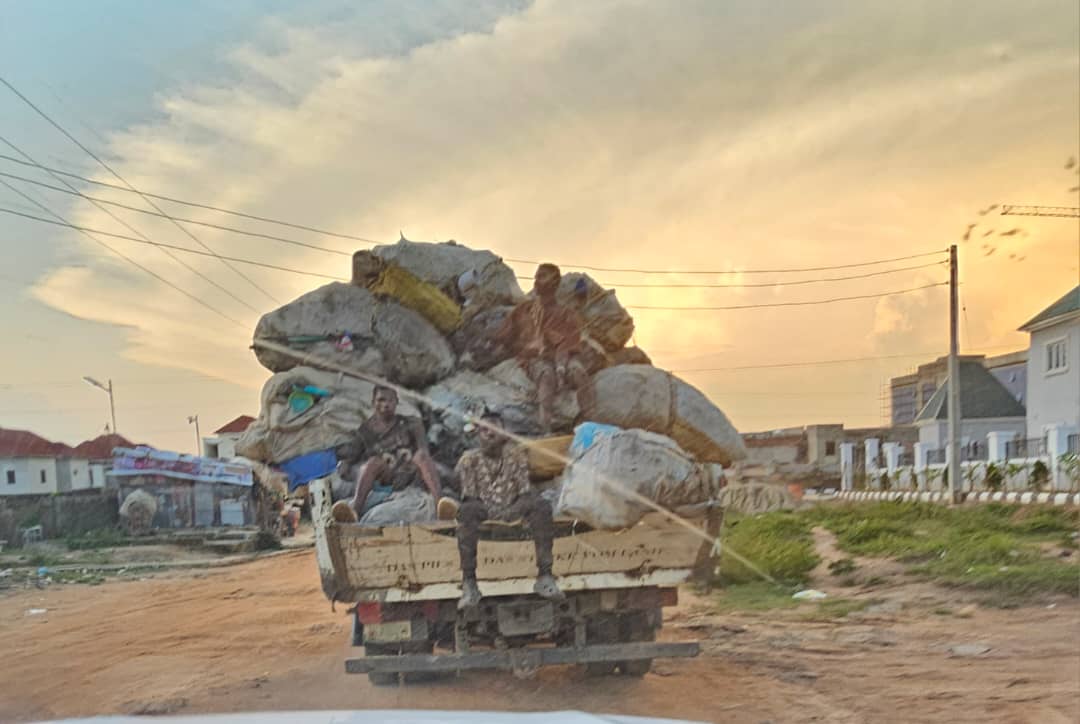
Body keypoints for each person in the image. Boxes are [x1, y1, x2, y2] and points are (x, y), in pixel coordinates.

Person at [454, 411, 563, 610]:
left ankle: (545, 576)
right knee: (466, 510)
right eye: (485, 430)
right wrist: (493, 512)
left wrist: (513, 510)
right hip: (484, 510)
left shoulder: (517, 457)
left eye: (495, 429)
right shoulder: (469, 460)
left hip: (513, 507)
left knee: (541, 506)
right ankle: (469, 583)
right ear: (478, 434)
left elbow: (525, 493)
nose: (490, 434)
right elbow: (470, 496)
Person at [494, 263, 596, 431]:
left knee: (578, 372)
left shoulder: (565, 313)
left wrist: (561, 366)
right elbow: (505, 337)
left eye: (542, 277)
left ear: (555, 282)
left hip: (565, 357)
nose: (536, 281)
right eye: (536, 277)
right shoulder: (524, 310)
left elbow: (571, 341)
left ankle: (590, 424)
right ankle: (545, 428)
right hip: (535, 358)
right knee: (546, 375)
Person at [332, 385, 446, 522]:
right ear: (373, 402)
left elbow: (424, 450)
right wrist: (345, 464)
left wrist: (412, 468)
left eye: (390, 400)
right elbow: (353, 454)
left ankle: (441, 506)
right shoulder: (365, 431)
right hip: (387, 477)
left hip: (411, 473)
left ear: (397, 402)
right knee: (373, 462)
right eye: (381, 400)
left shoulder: (411, 423)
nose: (386, 405)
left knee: (421, 456)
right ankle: (355, 510)